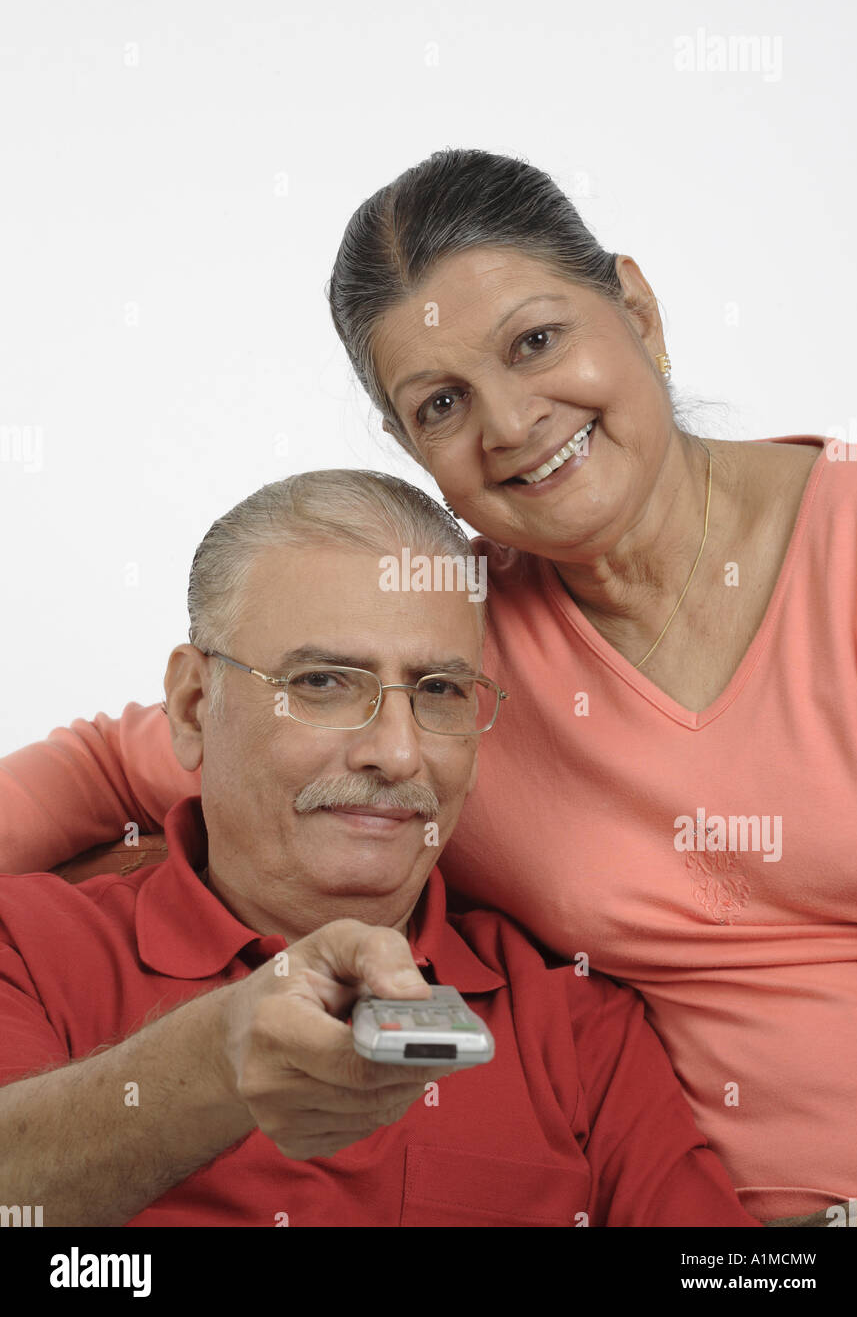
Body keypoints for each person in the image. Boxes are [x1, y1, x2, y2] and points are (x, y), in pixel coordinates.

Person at [1, 151, 857, 1225]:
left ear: (635, 307)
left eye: (535, 341)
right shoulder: (438, 638)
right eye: (443, 401)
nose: (508, 422)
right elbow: (132, 754)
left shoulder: (846, 548)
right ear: (410, 445)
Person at [0, 470, 762, 1229]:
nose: (398, 755)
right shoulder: (26, 947)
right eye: (324, 682)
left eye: (437, 690)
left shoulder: (574, 1026)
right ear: (196, 706)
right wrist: (215, 1062)